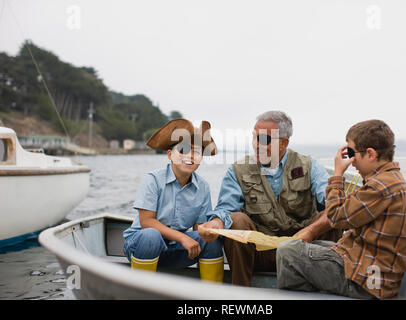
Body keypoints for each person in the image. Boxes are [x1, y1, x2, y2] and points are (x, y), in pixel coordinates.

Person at [276, 119, 406, 299]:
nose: (350, 160)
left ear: (371, 154)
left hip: (366, 282)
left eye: (351, 152)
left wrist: (338, 174)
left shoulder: (381, 187)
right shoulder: (391, 180)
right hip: (368, 270)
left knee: (288, 251)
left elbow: (336, 217)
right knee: (303, 245)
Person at [198, 110, 334, 286]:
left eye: (264, 140)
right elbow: (226, 208)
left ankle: (328, 289)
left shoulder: (309, 165)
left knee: (334, 213)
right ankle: (240, 296)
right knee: (236, 219)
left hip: (302, 249)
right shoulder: (238, 170)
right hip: (261, 252)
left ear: (284, 143)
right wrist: (215, 223)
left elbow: (332, 203)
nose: (256, 145)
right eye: (254, 138)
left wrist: (311, 232)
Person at [123, 119, 224, 282]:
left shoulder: (203, 187)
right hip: (141, 246)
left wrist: (212, 229)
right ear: (170, 154)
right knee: (151, 236)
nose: (190, 156)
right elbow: (147, 222)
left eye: (197, 152)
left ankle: (210, 293)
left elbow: (199, 229)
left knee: (211, 240)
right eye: (183, 150)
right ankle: (141, 291)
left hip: (175, 250)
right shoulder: (153, 179)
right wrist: (183, 238)